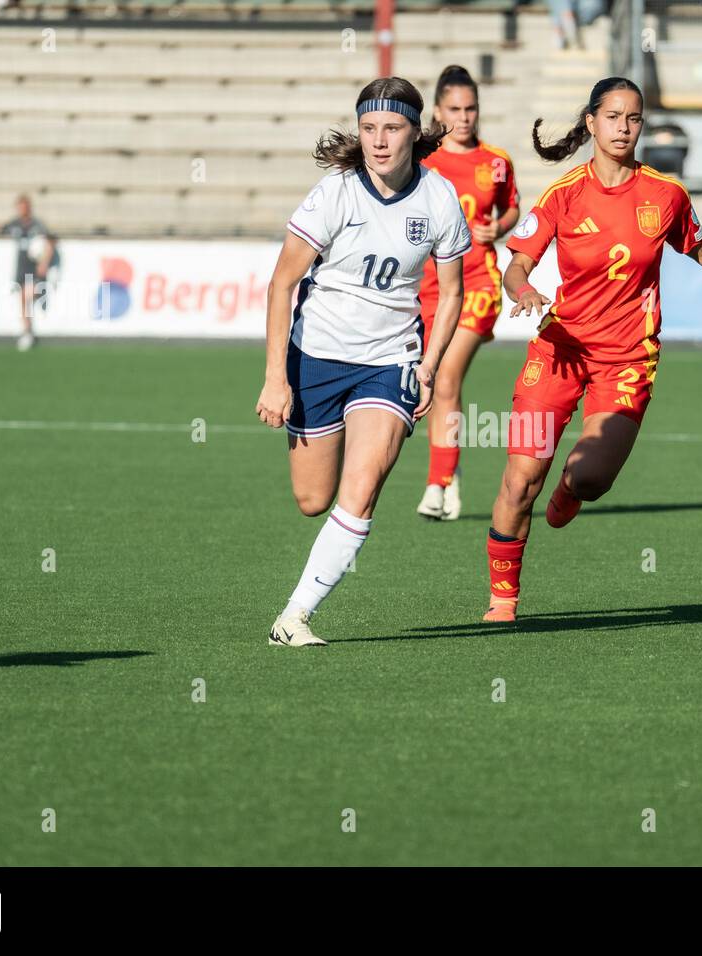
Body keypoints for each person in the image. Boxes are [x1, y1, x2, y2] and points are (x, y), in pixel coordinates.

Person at [481, 77, 702, 624]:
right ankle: (503, 599)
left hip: (628, 359)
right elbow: (515, 265)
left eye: (633, 119)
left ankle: (571, 488)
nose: (623, 128)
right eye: (612, 117)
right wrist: (525, 290)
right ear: (590, 122)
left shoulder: (665, 194)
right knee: (519, 480)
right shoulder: (563, 195)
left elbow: (701, 248)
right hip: (558, 352)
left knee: (590, 478)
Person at [256, 77, 471, 647]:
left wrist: (427, 367)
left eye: (392, 128)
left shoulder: (439, 197)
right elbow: (282, 284)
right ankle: (299, 605)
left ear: (415, 132)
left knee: (365, 481)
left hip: (390, 360)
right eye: (369, 128)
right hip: (317, 358)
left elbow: (452, 292)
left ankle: (293, 617)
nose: (378, 141)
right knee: (312, 500)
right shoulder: (335, 193)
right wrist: (276, 377)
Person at [415, 65, 521, 521]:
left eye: (471, 107)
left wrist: (497, 226)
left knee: (444, 377)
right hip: (426, 290)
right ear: (438, 110)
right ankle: (449, 465)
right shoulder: (420, 162)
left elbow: (513, 206)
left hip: (478, 284)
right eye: (454, 108)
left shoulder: (495, 161)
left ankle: (436, 485)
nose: (463, 116)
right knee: (428, 387)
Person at [0, 194, 57, 351]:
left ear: (29, 207)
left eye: (24, 207)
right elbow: (0, 227)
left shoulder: (37, 225)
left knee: (26, 296)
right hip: (22, 269)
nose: (22, 210)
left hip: (35, 271)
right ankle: (27, 332)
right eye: (20, 207)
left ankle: (28, 332)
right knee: (23, 301)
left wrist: (44, 263)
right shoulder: (15, 224)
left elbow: (50, 242)